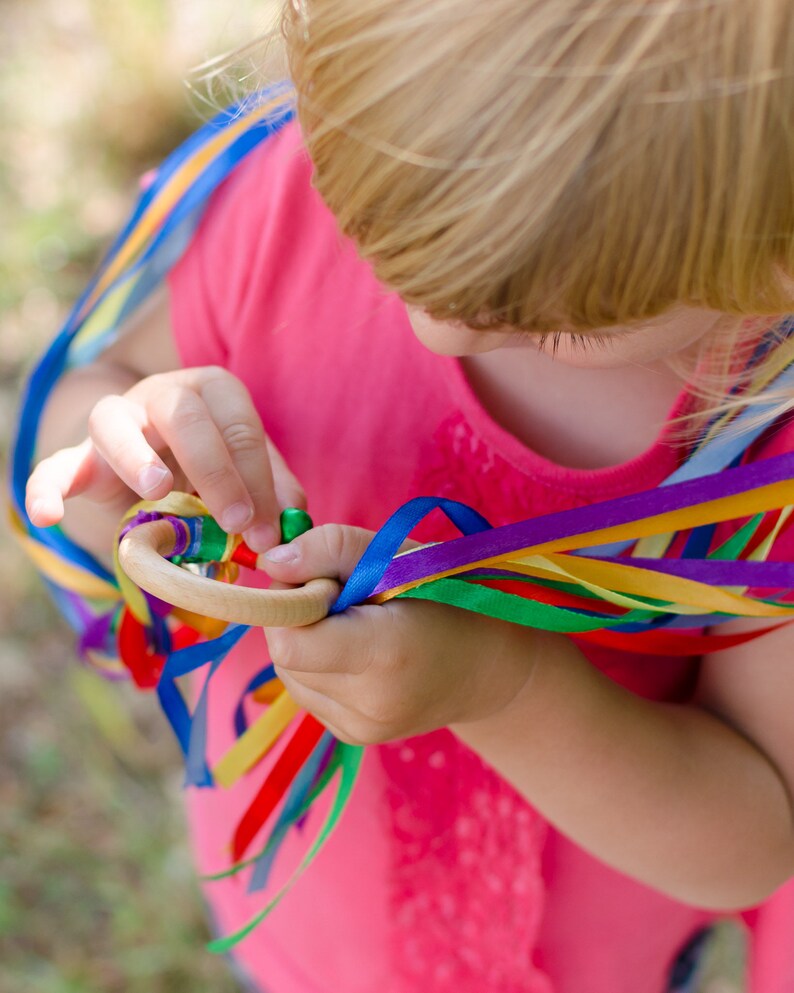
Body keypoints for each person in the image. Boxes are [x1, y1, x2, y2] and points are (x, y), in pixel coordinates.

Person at [21, 1, 794, 991]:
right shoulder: (281, 199)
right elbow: (83, 427)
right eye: (378, 243)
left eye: (546, 323)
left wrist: (503, 690)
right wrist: (133, 466)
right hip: (308, 936)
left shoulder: (759, 444)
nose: (436, 331)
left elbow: (755, 832)